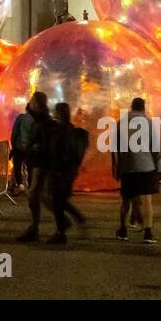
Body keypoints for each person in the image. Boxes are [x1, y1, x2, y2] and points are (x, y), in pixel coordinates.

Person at [112, 97, 161, 244]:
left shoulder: (120, 123)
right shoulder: (149, 123)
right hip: (146, 166)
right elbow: (157, 148)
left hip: (128, 167)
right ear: (143, 108)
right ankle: (148, 232)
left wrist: (117, 167)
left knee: (126, 200)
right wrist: (157, 167)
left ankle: (123, 230)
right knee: (147, 200)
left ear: (131, 108)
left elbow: (115, 149)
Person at [47, 101, 90, 241]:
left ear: (59, 113)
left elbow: (63, 152)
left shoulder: (63, 131)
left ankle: (61, 231)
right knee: (59, 201)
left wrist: (58, 170)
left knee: (58, 201)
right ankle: (74, 221)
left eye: (55, 111)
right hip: (66, 171)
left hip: (62, 172)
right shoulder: (67, 128)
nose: (53, 113)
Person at [15, 92, 53, 243]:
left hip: (40, 163)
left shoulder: (42, 120)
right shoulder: (33, 118)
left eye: (32, 101)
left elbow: (42, 140)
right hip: (35, 161)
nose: (29, 102)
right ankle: (35, 228)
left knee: (37, 195)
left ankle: (60, 223)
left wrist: (34, 147)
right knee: (36, 195)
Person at [8, 100, 37, 195]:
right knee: (30, 168)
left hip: (19, 147)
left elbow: (14, 133)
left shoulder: (21, 118)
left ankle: (20, 185)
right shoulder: (36, 121)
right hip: (31, 149)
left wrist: (13, 145)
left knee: (17, 166)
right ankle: (30, 188)